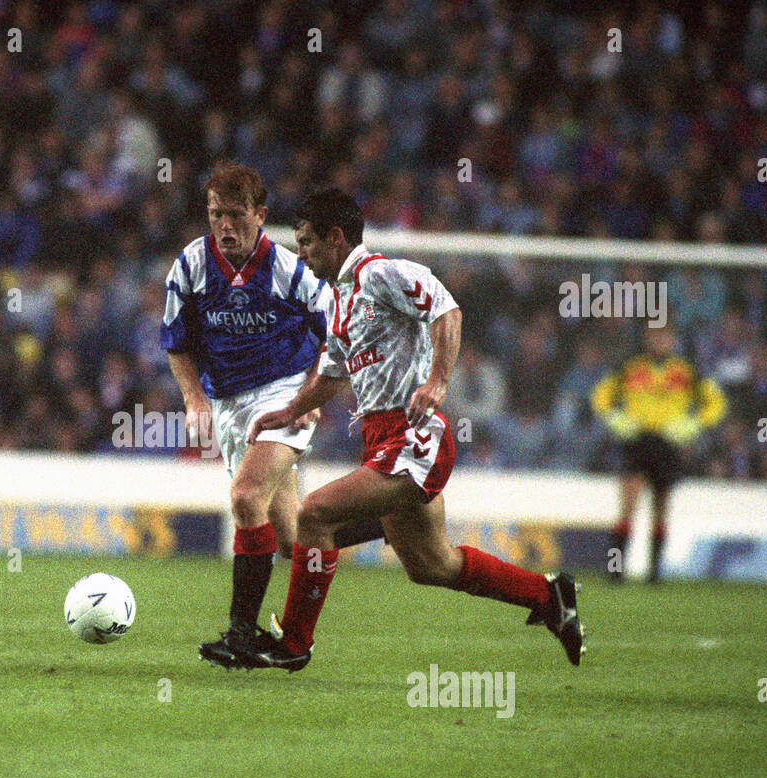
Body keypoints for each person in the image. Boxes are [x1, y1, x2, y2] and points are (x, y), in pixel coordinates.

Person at [231, 187, 585, 671]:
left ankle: (293, 645)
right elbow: (332, 377)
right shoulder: (338, 301)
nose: (301, 253)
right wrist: (289, 412)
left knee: (313, 516)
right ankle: (548, 597)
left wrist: (438, 380)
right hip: (381, 440)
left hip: (414, 438)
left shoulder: (382, 273)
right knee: (431, 566)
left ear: (336, 238)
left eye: (308, 242)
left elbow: (447, 309)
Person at [161, 162, 334, 667]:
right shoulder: (191, 266)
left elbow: (335, 334)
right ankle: (380, 521)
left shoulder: (288, 268)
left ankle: (241, 634)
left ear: (261, 215)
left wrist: (307, 398)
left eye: (237, 214)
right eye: (217, 214)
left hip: (281, 398)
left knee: (245, 496)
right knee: (293, 538)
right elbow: (177, 342)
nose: (226, 226)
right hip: (228, 404)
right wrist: (194, 400)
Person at [590, 325, 727, 582]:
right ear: (647, 338)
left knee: (661, 506)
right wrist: (616, 419)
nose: (660, 341)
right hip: (638, 439)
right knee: (628, 503)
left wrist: (693, 424)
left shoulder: (687, 370)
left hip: (668, 442)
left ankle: (654, 572)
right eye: (655, 336)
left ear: (673, 339)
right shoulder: (630, 367)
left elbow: (715, 402)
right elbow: (601, 395)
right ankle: (616, 570)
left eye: (665, 336)